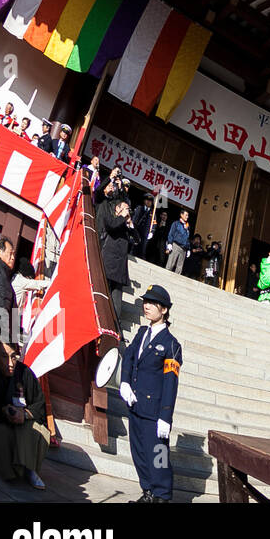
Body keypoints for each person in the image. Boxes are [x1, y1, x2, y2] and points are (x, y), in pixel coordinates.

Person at [118, 285, 181, 502]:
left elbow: (170, 384)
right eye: (145, 301)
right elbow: (129, 357)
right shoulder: (142, 332)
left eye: (152, 303)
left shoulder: (171, 345)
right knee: (139, 453)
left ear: (164, 309)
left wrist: (165, 417)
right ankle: (148, 492)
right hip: (135, 405)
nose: (146, 306)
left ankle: (162, 495)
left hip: (154, 412)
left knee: (158, 457)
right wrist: (124, 382)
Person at [0, 341, 49, 490]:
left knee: (32, 429)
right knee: (10, 471)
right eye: (4, 356)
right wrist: (2, 410)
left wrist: (24, 414)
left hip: (21, 426)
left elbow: (40, 406)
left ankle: (30, 469)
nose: (10, 363)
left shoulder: (25, 373)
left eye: (13, 357)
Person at [100, 197, 132, 325]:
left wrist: (130, 224)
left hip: (119, 267)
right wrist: (122, 217)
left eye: (128, 209)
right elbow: (111, 226)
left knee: (117, 298)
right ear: (117, 209)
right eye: (124, 208)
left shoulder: (125, 224)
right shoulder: (111, 217)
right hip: (108, 263)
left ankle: (116, 326)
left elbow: (136, 239)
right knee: (104, 294)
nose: (126, 211)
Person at [165, 209, 190, 273]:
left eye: (188, 215)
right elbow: (171, 234)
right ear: (181, 215)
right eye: (186, 215)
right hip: (176, 245)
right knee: (171, 264)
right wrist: (170, 243)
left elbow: (187, 238)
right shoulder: (176, 223)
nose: (187, 217)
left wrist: (188, 248)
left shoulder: (187, 226)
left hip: (184, 248)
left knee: (179, 267)